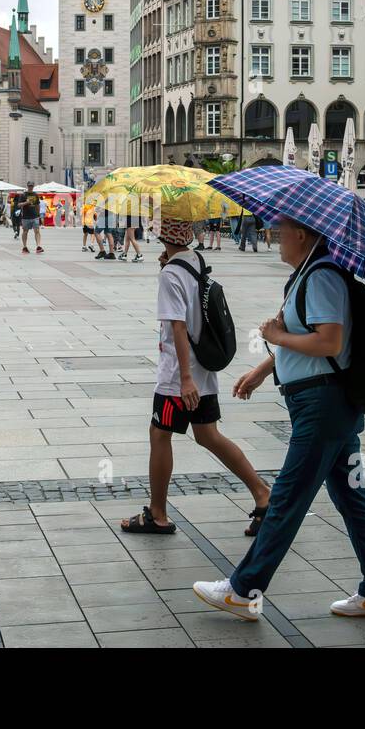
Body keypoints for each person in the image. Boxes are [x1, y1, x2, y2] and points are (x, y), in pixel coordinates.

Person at [193, 216, 365, 621]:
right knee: (352, 498)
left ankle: (243, 589)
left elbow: (329, 341)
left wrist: (276, 337)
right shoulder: (310, 273)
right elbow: (309, 338)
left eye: (281, 229)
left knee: (288, 496)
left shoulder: (321, 276)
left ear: (302, 234)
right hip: (326, 404)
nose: (275, 235)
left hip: (323, 406)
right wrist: (264, 368)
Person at [120, 218, 270, 537]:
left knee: (159, 434)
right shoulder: (194, 260)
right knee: (207, 435)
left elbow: (178, 326)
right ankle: (263, 495)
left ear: (162, 234)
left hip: (179, 375)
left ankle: (157, 514)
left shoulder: (172, 272)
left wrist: (185, 378)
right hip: (203, 369)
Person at [16, 182, 44, 255]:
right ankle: (25, 247)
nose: (30, 187)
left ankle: (38, 246)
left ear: (33, 186)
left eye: (31, 186)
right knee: (25, 231)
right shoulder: (23, 195)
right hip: (26, 216)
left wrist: (39, 215)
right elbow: (18, 205)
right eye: (29, 186)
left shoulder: (35, 195)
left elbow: (38, 205)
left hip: (34, 216)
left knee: (37, 230)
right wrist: (26, 203)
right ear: (27, 186)